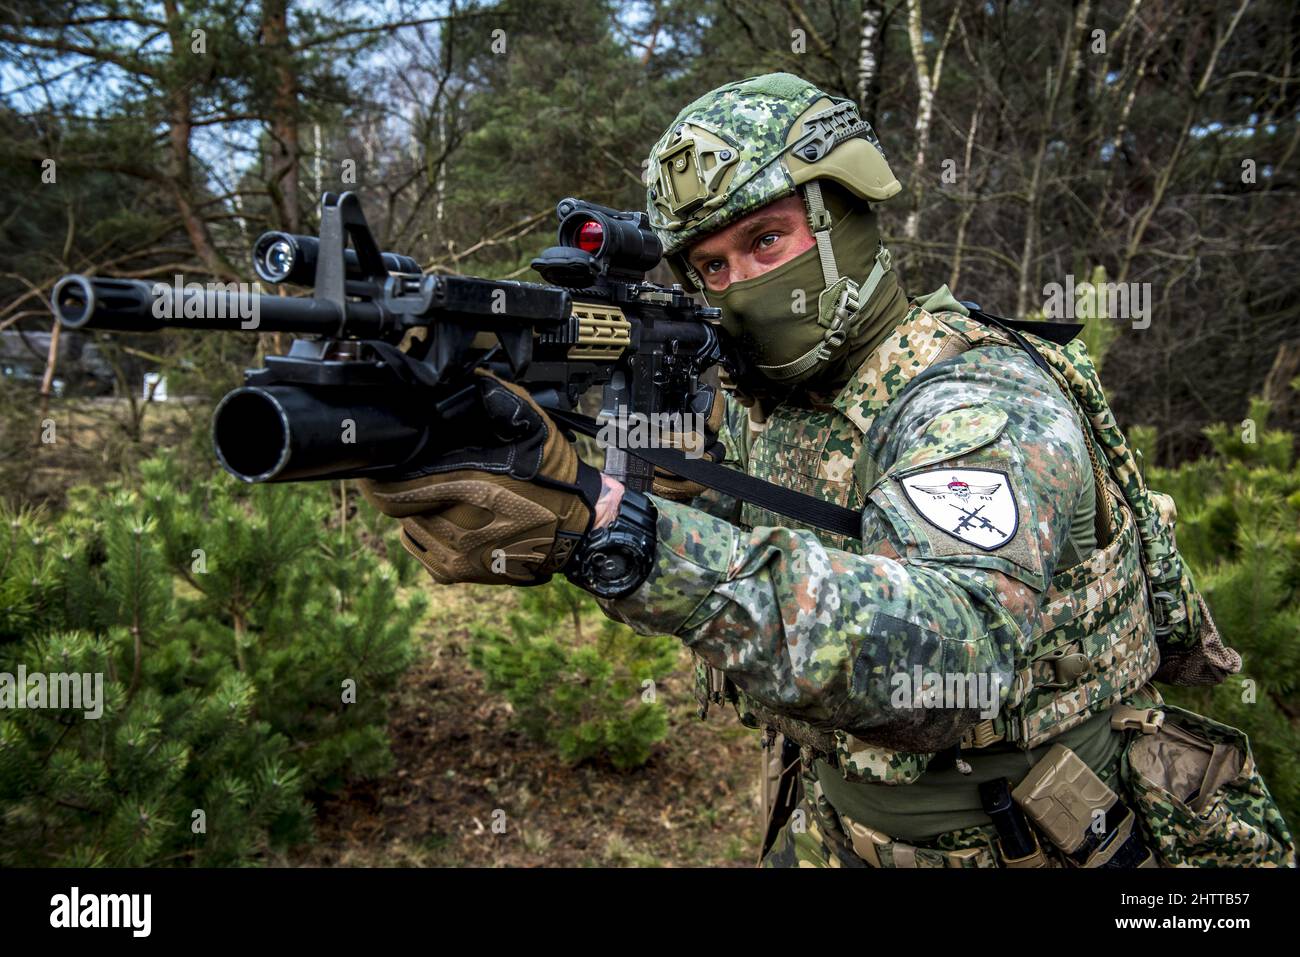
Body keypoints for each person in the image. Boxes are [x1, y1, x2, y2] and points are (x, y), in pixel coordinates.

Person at [361, 73, 1294, 868]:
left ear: (844, 216)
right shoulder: (763, 402)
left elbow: (948, 660)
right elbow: (730, 550)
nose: (739, 286)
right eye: (711, 267)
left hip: (1041, 838)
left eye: (766, 242)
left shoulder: (974, 397)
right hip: (831, 822)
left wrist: (625, 535)